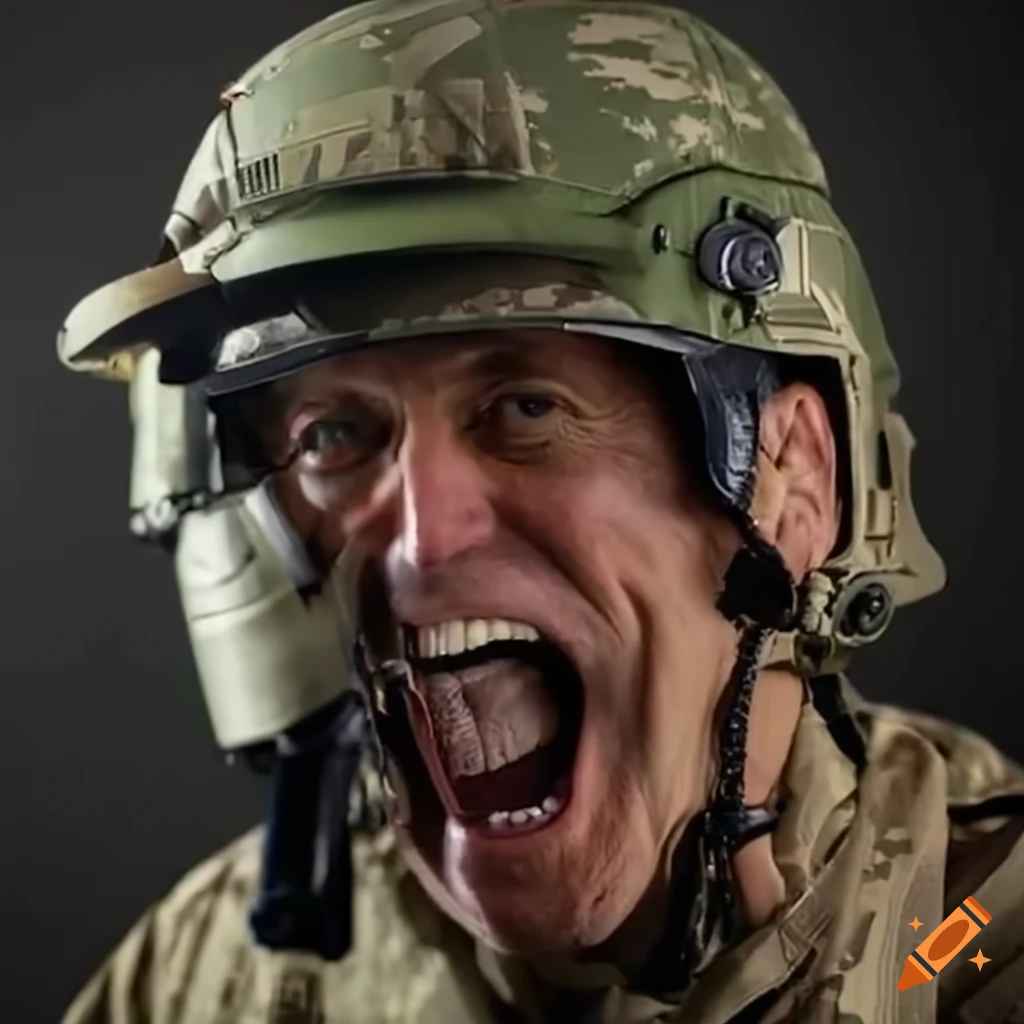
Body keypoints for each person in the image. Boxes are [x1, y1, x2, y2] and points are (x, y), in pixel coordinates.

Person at [55, 1, 1024, 1021]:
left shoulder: (977, 955)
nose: (423, 540)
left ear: (787, 481)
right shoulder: (215, 982)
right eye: (332, 437)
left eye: (526, 408)